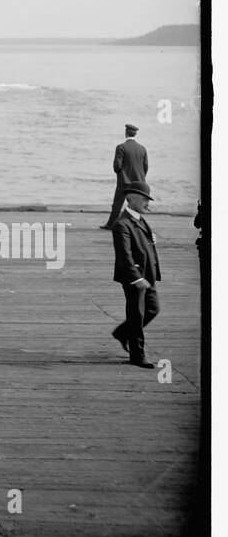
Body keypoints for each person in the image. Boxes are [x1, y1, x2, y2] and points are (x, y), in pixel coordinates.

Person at [110, 183, 161, 368]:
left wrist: (150, 239)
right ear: (131, 198)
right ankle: (137, 356)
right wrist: (137, 278)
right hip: (135, 277)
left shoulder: (140, 219)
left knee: (153, 309)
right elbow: (125, 255)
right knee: (136, 315)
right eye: (144, 198)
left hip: (148, 275)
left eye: (148, 199)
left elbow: (141, 243)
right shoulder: (121, 224)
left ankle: (122, 333)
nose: (147, 202)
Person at [102, 124, 149, 229]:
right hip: (138, 182)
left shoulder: (121, 147)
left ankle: (111, 224)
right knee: (136, 204)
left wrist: (120, 173)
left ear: (126, 133)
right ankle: (136, 224)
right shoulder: (142, 148)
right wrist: (140, 177)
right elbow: (145, 166)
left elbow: (117, 166)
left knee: (117, 204)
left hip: (124, 181)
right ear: (135, 134)